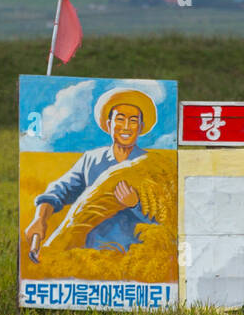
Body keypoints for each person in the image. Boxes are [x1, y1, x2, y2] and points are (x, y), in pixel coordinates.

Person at [25, 87, 157, 261]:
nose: (126, 127)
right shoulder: (92, 160)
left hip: (135, 258)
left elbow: (165, 219)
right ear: (109, 124)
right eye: (120, 119)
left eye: (133, 121)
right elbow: (59, 190)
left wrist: (135, 205)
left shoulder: (151, 165)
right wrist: (40, 218)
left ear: (140, 127)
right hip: (88, 256)